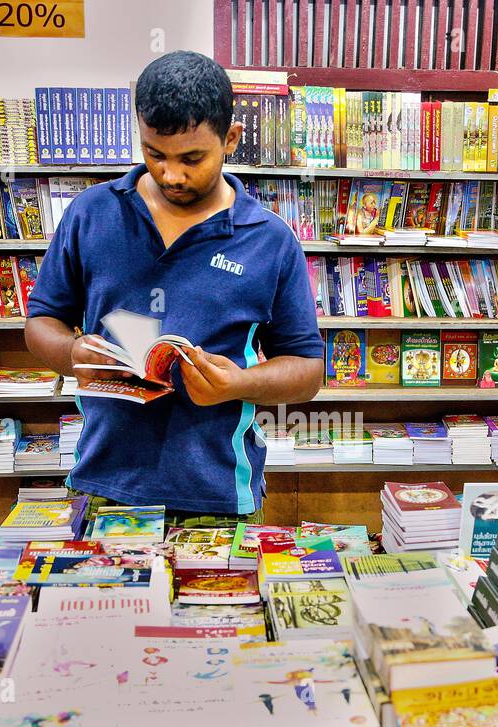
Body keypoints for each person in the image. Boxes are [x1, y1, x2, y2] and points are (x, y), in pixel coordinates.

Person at [25, 52, 324, 526]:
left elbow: (307, 370)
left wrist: (240, 384)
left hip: (220, 495)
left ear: (231, 139)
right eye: (154, 153)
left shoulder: (270, 239)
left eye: (192, 159)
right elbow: (42, 321)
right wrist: (73, 354)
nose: (171, 175)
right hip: (104, 482)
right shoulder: (90, 214)